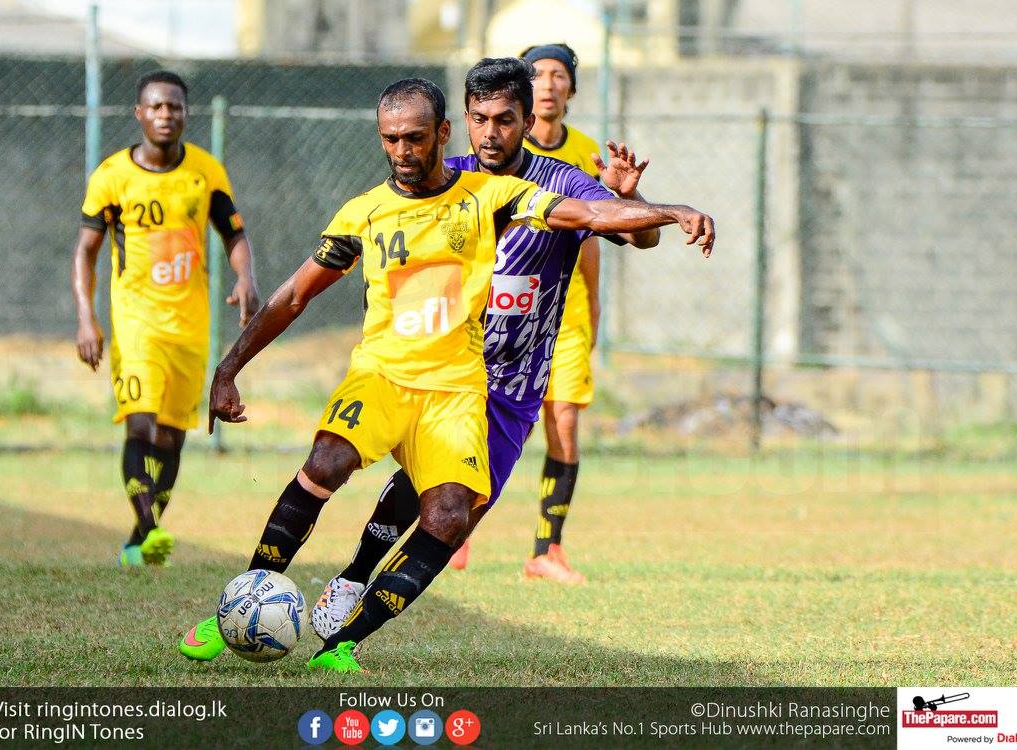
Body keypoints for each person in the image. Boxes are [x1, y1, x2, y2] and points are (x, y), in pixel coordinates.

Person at [178, 77, 712, 673]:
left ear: (439, 134)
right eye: (390, 139)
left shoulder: (494, 194)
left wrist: (670, 209)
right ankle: (238, 603)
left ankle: (342, 644)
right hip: (381, 377)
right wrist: (228, 368)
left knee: (451, 516)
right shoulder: (364, 211)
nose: (402, 151)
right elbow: (294, 296)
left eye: (413, 138)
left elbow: (590, 211)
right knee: (326, 462)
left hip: (463, 390)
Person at [307, 58, 711, 640]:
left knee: (462, 509)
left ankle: (354, 614)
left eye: (504, 119)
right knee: (426, 486)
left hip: (514, 383)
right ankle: (352, 580)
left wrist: (638, 199)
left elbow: (634, 234)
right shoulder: (452, 177)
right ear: (463, 122)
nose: (491, 133)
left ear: (528, 120)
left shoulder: (564, 181)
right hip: (448, 367)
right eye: (479, 119)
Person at [71, 70, 258, 567]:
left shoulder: (205, 171)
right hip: (136, 324)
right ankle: (151, 529)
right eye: (155, 107)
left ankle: (141, 538)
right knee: (140, 425)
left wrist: (246, 278)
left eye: (174, 107)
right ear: (139, 113)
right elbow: (85, 253)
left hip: (190, 326)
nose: (165, 115)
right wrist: (87, 319)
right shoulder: (112, 177)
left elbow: (233, 233)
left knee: (172, 435)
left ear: (185, 113)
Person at [520, 43, 612, 581]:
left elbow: (596, 236)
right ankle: (452, 530)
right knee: (483, 425)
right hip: (508, 306)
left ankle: (545, 550)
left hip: (566, 308)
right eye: (537, 74)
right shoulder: (502, 144)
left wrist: (594, 307)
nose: (548, 83)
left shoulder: (586, 152)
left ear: (572, 89)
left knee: (565, 423)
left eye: (558, 75)